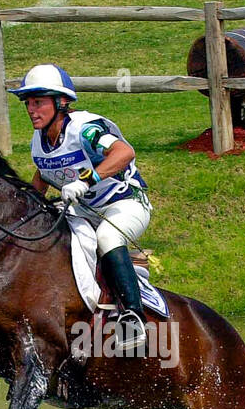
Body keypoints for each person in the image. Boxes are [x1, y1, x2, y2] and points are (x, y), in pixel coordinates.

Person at [10, 64, 152, 353]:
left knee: (108, 239)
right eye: (28, 103)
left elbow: (125, 152)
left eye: (38, 102)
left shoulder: (85, 129)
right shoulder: (38, 140)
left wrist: (88, 180)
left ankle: (133, 316)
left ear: (60, 102)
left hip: (124, 203)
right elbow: (42, 175)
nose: (31, 110)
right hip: (84, 210)